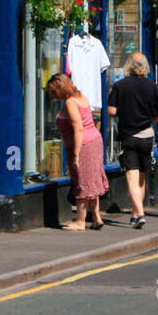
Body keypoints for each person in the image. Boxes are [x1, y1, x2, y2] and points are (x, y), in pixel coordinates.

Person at [106, 52, 158, 228]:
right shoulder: (153, 86)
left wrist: (125, 113)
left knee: (131, 177)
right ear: (145, 66)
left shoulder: (120, 86)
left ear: (129, 66)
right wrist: (150, 120)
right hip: (147, 136)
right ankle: (134, 214)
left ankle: (140, 213)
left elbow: (111, 111)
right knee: (141, 177)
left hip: (129, 136)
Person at [46, 73, 109, 230]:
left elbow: (78, 128)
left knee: (82, 182)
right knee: (91, 180)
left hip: (84, 145)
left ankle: (80, 222)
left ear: (60, 88)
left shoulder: (70, 103)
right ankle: (97, 218)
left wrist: (75, 155)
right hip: (94, 140)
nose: (53, 96)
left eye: (53, 92)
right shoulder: (81, 97)